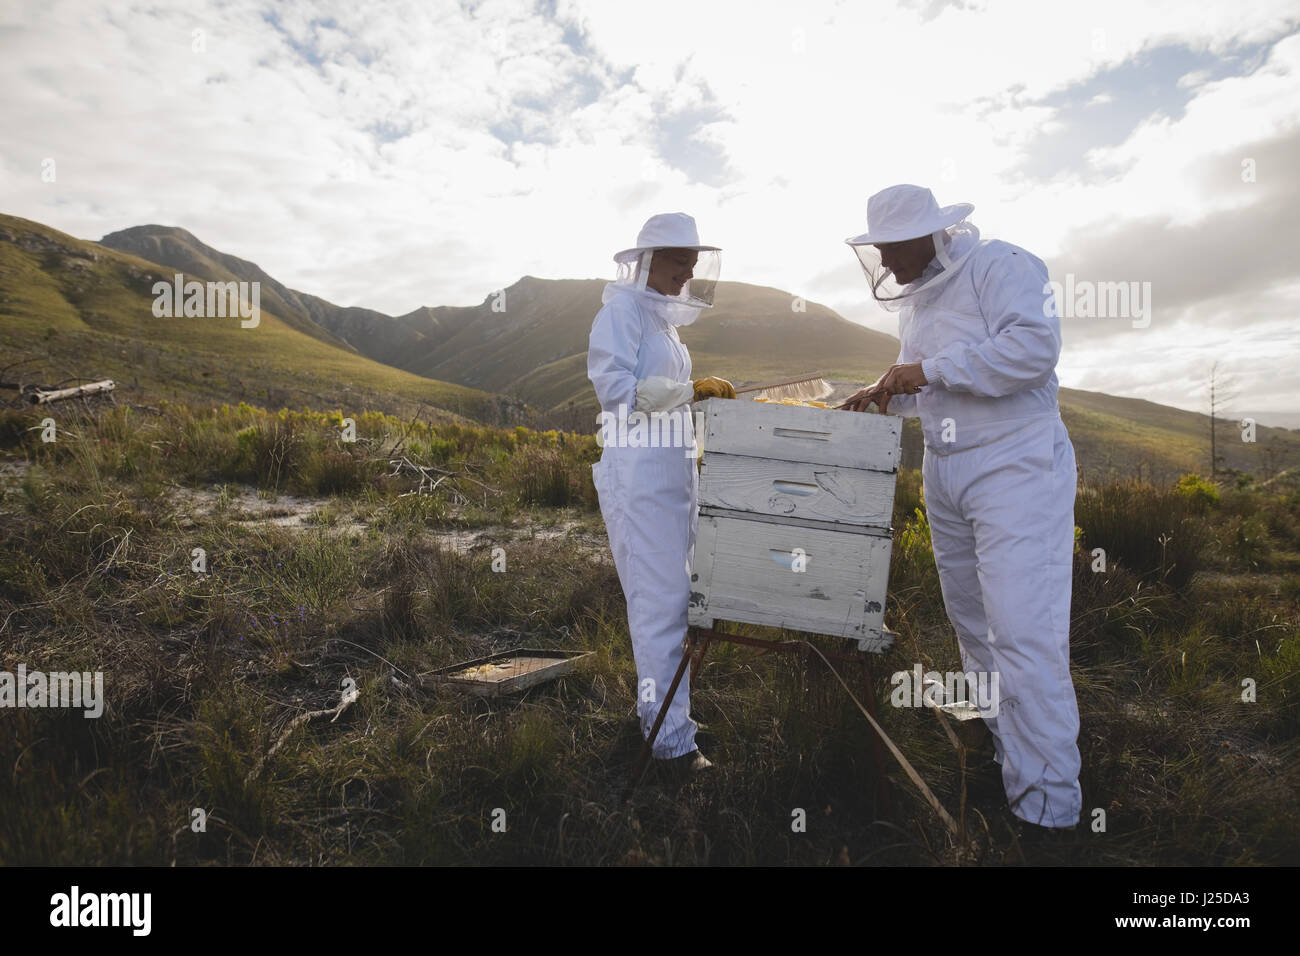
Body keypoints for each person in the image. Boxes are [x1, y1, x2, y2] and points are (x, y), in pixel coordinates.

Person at [841, 184, 1082, 833]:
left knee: (1022, 630)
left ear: (931, 234)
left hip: (1016, 465)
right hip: (947, 470)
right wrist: (887, 390)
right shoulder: (918, 298)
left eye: (895, 250)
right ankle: (1008, 762)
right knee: (974, 626)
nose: (888, 266)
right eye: (881, 253)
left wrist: (926, 371)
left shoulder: (1002, 264)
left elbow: (1032, 351)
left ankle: (1048, 812)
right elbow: (932, 380)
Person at [587, 212, 733, 777]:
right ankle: (671, 748)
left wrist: (696, 397)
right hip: (640, 477)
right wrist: (687, 390)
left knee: (675, 602)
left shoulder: (664, 324)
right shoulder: (620, 312)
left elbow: (668, 396)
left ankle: (665, 715)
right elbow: (616, 393)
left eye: (693, 265)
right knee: (658, 606)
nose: (687, 275)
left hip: (673, 477)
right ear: (648, 259)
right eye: (679, 263)